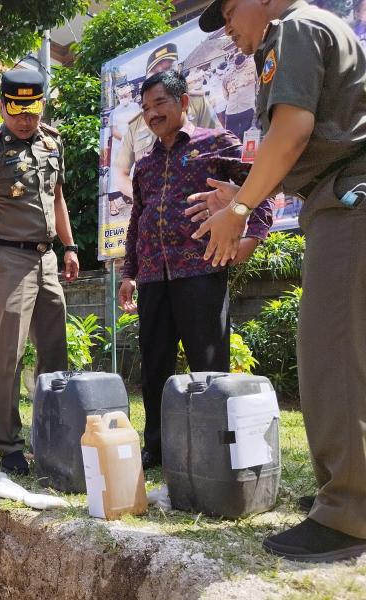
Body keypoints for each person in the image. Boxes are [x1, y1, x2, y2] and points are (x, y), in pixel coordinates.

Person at [194, 0, 366, 561]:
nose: (227, 27)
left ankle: (349, 512)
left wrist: (241, 209)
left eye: (229, 10)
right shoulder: (316, 28)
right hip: (342, 198)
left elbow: (292, 129)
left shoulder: (293, 29)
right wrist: (246, 192)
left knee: (332, 353)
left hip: (349, 202)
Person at [118, 70, 272, 470]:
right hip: (153, 277)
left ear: (183, 102)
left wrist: (252, 237)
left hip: (200, 272)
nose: (152, 114)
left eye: (160, 103)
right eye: (145, 108)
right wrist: (129, 272)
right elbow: (137, 220)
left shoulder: (217, 143)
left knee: (209, 366)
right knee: (155, 367)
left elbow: (262, 186)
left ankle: (215, 449)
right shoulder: (145, 164)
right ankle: (156, 447)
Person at [0, 69, 80, 475]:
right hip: (8, 259)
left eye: (33, 110)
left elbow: (57, 199)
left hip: (47, 258)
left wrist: (70, 246)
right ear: (3, 106)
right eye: (17, 110)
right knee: (8, 352)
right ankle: (6, 443)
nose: (26, 119)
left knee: (54, 350)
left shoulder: (52, 142)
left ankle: (51, 432)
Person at [111, 43, 222, 201]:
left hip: (197, 205)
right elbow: (121, 174)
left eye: (169, 68)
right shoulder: (135, 124)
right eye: (155, 72)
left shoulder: (197, 104)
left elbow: (220, 152)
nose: (162, 75)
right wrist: (144, 201)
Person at [107, 78, 140, 216]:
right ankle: (112, 203)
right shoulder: (114, 112)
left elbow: (140, 124)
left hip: (134, 145)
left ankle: (130, 196)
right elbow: (113, 131)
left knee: (132, 172)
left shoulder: (136, 107)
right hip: (119, 146)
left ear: (131, 94)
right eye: (121, 97)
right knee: (115, 174)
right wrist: (126, 140)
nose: (124, 98)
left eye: (126, 95)